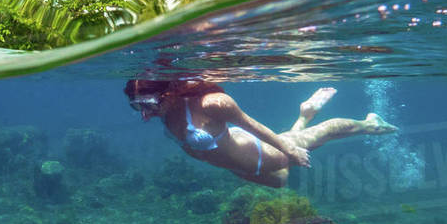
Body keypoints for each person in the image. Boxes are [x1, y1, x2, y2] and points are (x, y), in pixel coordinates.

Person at [125, 79, 396, 188]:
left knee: (320, 135)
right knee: (280, 182)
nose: (144, 114)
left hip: (259, 156)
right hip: (236, 165)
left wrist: (289, 151)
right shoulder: (167, 110)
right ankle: (305, 113)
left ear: (168, 94)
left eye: (147, 105)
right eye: (136, 107)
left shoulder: (213, 105)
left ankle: (370, 123)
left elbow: (252, 126)